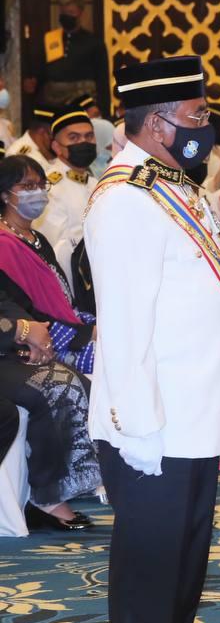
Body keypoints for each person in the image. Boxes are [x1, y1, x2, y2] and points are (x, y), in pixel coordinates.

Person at [84, 55, 220, 623]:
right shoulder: (124, 201)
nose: (207, 129)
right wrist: (137, 431)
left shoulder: (172, 188)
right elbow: (123, 326)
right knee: (149, 570)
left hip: (193, 413)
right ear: (154, 124)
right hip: (151, 422)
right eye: (197, 119)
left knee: (183, 565)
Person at [0, 156, 101, 532]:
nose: (37, 193)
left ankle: (73, 482)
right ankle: (46, 496)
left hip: (25, 336)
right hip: (13, 344)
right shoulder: (4, 243)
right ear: (4, 194)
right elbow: (18, 306)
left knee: (75, 376)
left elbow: (45, 300)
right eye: (26, 186)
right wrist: (25, 332)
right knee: (58, 383)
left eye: (39, 184)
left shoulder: (35, 238)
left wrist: (30, 330)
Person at [36, 105, 99, 276]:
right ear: (56, 147)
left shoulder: (95, 183)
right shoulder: (50, 188)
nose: (83, 142)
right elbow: (55, 253)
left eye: (89, 136)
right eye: (74, 137)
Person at [24, 0, 110, 107]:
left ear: (81, 13)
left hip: (84, 106)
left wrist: (103, 111)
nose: (66, 16)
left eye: (71, 13)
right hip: (52, 105)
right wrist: (33, 84)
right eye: (63, 13)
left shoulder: (95, 43)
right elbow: (40, 76)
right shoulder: (49, 40)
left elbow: (102, 82)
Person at [9, 104, 58, 171]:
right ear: (42, 132)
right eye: (52, 136)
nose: (55, 140)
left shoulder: (41, 150)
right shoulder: (20, 157)